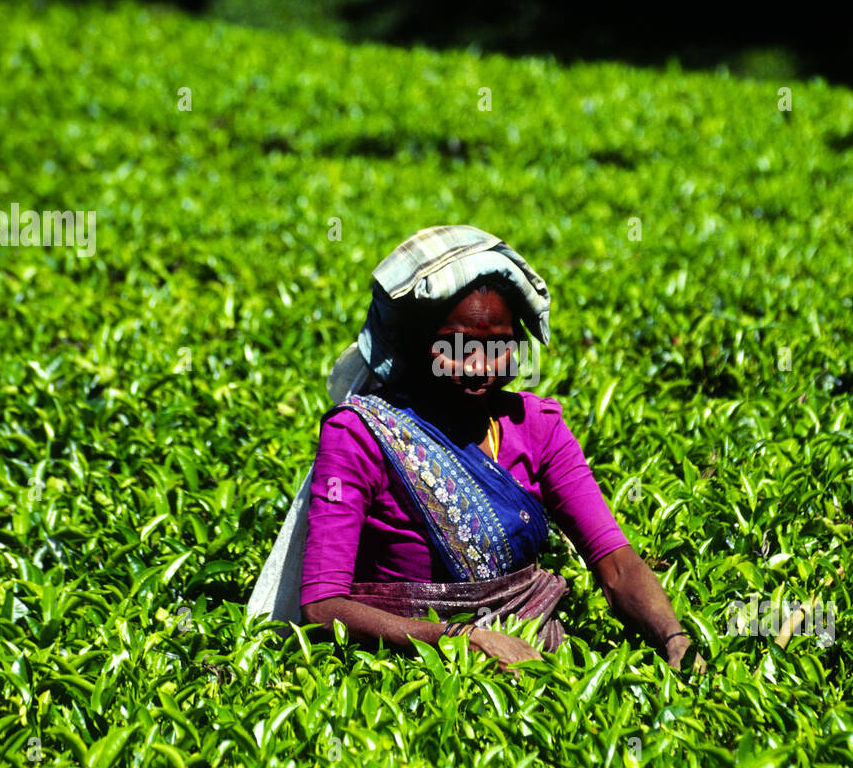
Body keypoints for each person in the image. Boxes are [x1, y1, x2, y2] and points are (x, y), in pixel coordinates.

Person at [247, 225, 701, 674]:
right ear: (418, 345)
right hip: (404, 676)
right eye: (456, 348)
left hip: (536, 663)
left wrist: (673, 637)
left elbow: (615, 564)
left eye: (498, 347)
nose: (479, 368)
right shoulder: (361, 435)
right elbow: (324, 607)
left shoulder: (535, 426)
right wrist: (461, 641)